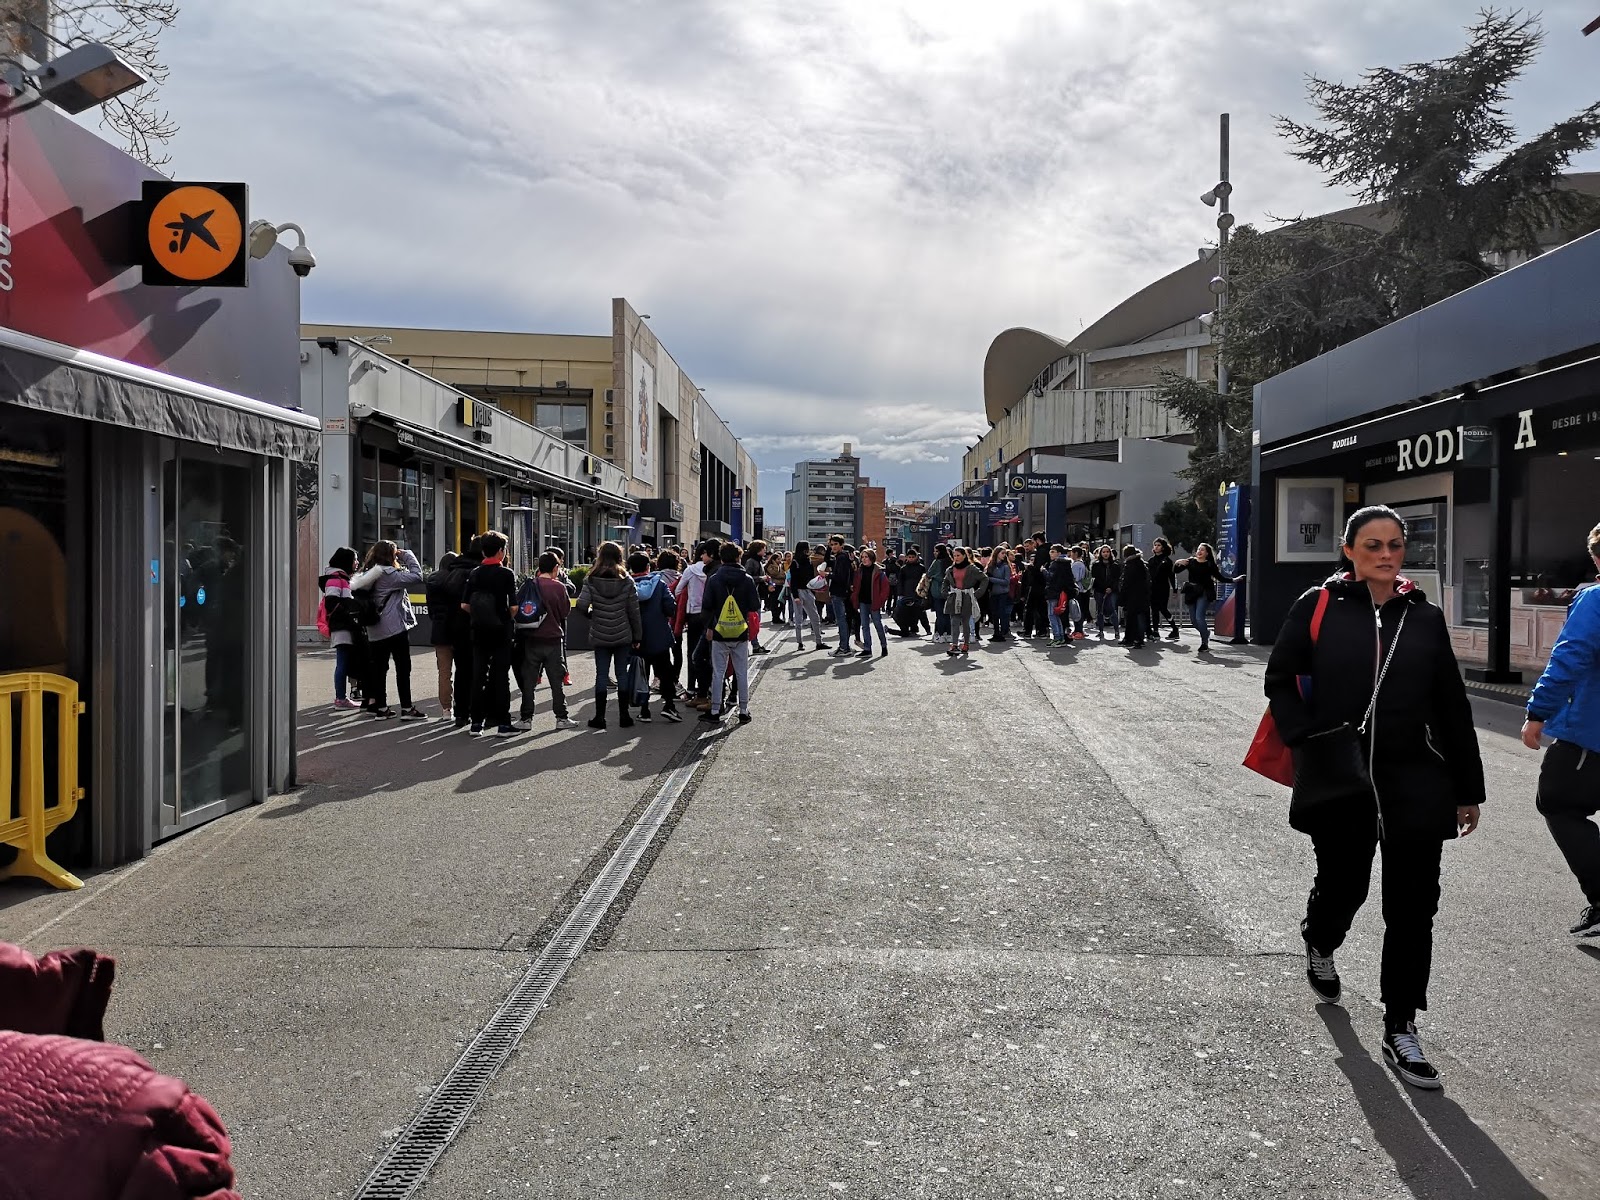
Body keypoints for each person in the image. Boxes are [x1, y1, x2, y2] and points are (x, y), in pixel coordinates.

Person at [1264, 504, 1484, 1091]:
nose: (1385, 556)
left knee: (1413, 908)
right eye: (1372, 546)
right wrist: (1304, 739)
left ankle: (1401, 1025)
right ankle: (1320, 939)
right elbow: (1281, 678)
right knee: (1345, 885)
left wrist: (1468, 788)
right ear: (1349, 550)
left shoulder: (1425, 616)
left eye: (1394, 545)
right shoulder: (1318, 607)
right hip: (1343, 779)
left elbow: (1453, 707)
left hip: (1418, 780)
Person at [1521, 521, 1600, 939]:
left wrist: (1538, 713)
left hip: (1590, 731)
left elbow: (1570, 657)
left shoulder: (1596, 600)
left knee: (1559, 802)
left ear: (1596, 558)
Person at [350, 540, 424, 720]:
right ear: (391, 555)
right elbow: (417, 576)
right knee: (403, 668)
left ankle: (381, 708)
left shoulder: (366, 574)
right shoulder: (389, 574)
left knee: (379, 670)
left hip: (374, 629)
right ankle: (406, 708)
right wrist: (407, 555)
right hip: (394, 627)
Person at [576, 540, 642, 731]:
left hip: (600, 633)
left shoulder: (591, 579)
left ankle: (599, 717)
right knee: (622, 673)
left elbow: (581, 605)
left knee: (601, 675)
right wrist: (637, 636)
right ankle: (624, 716)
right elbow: (634, 611)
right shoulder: (627, 580)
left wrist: (591, 615)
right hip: (623, 634)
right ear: (619, 557)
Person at [462, 531, 519, 738]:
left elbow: (465, 604)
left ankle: (476, 723)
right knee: (501, 676)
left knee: (479, 676)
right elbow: (513, 606)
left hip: (478, 629)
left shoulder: (475, 573)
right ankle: (503, 723)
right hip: (501, 630)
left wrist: (481, 615)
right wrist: (503, 616)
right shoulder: (506, 574)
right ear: (501, 552)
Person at [513, 551, 577, 730]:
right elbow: (565, 612)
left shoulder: (530, 585)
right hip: (553, 639)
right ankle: (561, 718)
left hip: (531, 638)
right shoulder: (559, 587)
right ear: (556, 568)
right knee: (556, 681)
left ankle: (526, 719)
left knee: (529, 682)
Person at [700, 542, 760, 724]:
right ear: (738, 557)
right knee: (741, 672)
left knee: (718, 672)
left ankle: (716, 710)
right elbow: (755, 606)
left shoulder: (715, 579)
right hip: (740, 632)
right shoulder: (747, 579)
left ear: (721, 557)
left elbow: (707, 606)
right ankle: (743, 710)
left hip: (720, 631)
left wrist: (709, 627)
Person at [627, 550, 681, 722]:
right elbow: (670, 607)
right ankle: (669, 705)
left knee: (641, 672)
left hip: (636, 637)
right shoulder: (659, 584)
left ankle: (644, 709)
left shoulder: (627, 586)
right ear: (649, 567)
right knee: (665, 671)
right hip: (659, 636)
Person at [675, 539, 719, 710]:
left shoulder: (690, 570)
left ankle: (693, 688)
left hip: (694, 615)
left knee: (693, 653)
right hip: (711, 616)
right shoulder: (715, 570)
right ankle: (709, 690)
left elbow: (678, 590)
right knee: (711, 654)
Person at [424, 552, 469, 722]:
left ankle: (445, 710)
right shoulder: (459, 580)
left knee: (444, 673)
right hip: (459, 629)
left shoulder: (433, 580)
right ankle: (462, 708)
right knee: (462, 671)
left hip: (440, 630)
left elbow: (430, 608)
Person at [318, 547, 363, 710]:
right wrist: (349, 614)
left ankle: (342, 697)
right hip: (342, 626)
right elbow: (332, 603)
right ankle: (340, 698)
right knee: (343, 662)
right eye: (355, 559)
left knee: (344, 661)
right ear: (346, 561)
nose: (357, 562)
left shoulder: (342, 578)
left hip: (344, 626)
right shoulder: (336, 579)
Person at [1173, 542, 1234, 653]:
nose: (1199, 552)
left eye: (1202, 550)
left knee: (1199, 617)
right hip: (1192, 592)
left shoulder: (1210, 564)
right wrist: (1177, 562)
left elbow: (1220, 578)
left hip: (1205, 592)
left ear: (1207, 553)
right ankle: (1206, 633)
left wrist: (1234, 580)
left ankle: (1204, 642)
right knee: (1193, 621)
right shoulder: (1190, 561)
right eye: (1198, 549)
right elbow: (1175, 571)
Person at [942, 545, 988, 657]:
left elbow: (984, 578)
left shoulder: (971, 568)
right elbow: (945, 581)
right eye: (954, 555)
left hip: (967, 597)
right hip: (954, 597)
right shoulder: (951, 569)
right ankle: (954, 644)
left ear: (964, 556)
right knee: (954, 621)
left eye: (958, 555)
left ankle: (966, 644)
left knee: (966, 622)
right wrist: (945, 592)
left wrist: (977, 593)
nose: (956, 558)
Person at [787, 540, 828, 651]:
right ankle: (802, 643)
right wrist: (795, 596)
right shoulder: (796, 563)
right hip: (800, 591)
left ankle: (817, 642)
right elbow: (793, 581)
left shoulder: (806, 561)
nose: (809, 550)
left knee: (812, 617)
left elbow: (807, 578)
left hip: (806, 591)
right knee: (801, 618)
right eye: (808, 548)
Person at [855, 547, 891, 658]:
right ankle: (867, 649)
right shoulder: (859, 571)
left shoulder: (878, 572)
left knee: (878, 625)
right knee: (864, 626)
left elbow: (885, 589)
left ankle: (884, 646)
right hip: (863, 601)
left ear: (872, 558)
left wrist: (880, 601)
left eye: (866, 557)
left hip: (874, 602)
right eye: (863, 557)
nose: (864, 559)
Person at [827, 538, 858, 657]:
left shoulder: (841, 558)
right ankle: (845, 646)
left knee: (841, 620)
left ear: (842, 545)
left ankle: (844, 648)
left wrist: (828, 575)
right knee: (844, 620)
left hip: (839, 592)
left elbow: (840, 577)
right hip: (843, 592)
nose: (833, 547)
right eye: (831, 545)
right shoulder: (843, 557)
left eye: (835, 544)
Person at [1119, 545, 1151, 648]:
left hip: (1132, 596)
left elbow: (1126, 582)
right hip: (1142, 595)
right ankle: (1138, 639)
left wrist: (1122, 596)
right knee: (1140, 617)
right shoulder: (1142, 564)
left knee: (1132, 618)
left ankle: (1134, 639)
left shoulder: (1130, 565)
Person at [1148, 537, 1180, 640]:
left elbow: (1172, 576)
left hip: (1163, 588)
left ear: (1163, 547)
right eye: (1155, 545)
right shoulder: (1151, 560)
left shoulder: (1167, 561)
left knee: (1163, 609)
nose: (1156, 547)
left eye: (1159, 545)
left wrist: (1175, 589)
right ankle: (1156, 631)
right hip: (1152, 588)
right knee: (1154, 610)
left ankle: (1174, 628)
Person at [1045, 544, 1075, 646]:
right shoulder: (1067, 564)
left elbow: (1050, 578)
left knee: (1052, 615)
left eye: (1053, 552)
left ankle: (1057, 637)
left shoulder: (1055, 564)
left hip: (1053, 592)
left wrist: (1044, 571)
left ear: (1059, 553)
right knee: (1057, 615)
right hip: (1062, 593)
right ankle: (1061, 637)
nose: (1050, 554)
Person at [895, 545, 928, 637]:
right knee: (908, 611)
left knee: (920, 611)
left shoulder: (921, 567)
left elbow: (925, 580)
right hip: (907, 591)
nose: (911, 559)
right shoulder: (904, 568)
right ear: (906, 558)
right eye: (909, 557)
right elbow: (900, 581)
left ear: (916, 557)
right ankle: (912, 627)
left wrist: (924, 591)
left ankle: (926, 628)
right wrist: (900, 593)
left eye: (913, 557)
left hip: (918, 592)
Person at [1090, 544, 1121, 640]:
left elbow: (1117, 579)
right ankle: (1101, 631)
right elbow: (1095, 578)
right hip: (1099, 590)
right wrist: (1104, 588)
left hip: (1112, 591)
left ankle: (1116, 631)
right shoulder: (1096, 565)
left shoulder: (1115, 565)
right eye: (1104, 552)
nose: (1106, 554)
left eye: (1107, 552)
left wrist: (1111, 588)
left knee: (1112, 609)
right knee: (1100, 610)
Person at [987, 547, 1014, 642]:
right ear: (997, 553)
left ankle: (1003, 632)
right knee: (994, 614)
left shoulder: (1005, 567)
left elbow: (1006, 581)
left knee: (1002, 613)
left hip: (1003, 593)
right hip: (993, 593)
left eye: (1005, 554)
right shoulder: (991, 565)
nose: (1004, 555)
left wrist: (991, 579)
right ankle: (996, 632)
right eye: (1002, 553)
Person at [928, 544, 952, 641]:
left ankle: (940, 634)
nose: (934, 553)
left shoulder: (936, 562)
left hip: (937, 591)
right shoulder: (950, 562)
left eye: (936, 551)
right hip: (949, 591)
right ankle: (948, 634)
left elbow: (929, 573)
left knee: (940, 614)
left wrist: (934, 577)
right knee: (948, 614)